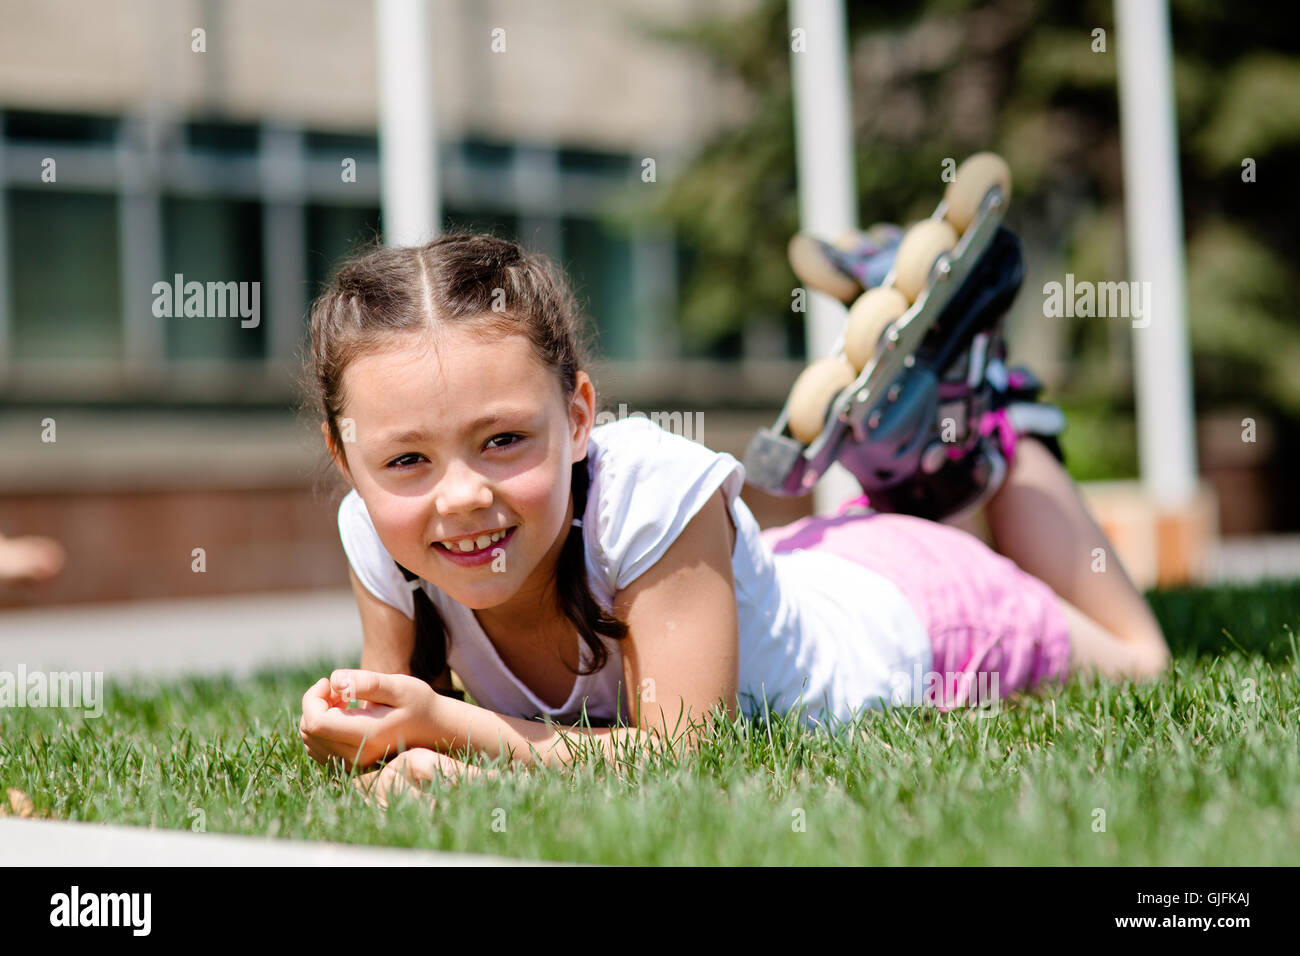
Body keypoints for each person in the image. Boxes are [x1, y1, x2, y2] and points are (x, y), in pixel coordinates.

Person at [297, 233, 1170, 803]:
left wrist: (453, 730)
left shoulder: (649, 493)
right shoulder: (379, 533)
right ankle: (917, 419)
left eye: (502, 440)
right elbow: (390, 729)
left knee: (1142, 662)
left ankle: (990, 422)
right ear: (348, 463)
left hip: (918, 614)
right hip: (796, 569)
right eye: (407, 460)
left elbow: (683, 757)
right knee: (921, 506)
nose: (459, 498)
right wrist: (368, 733)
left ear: (578, 417)